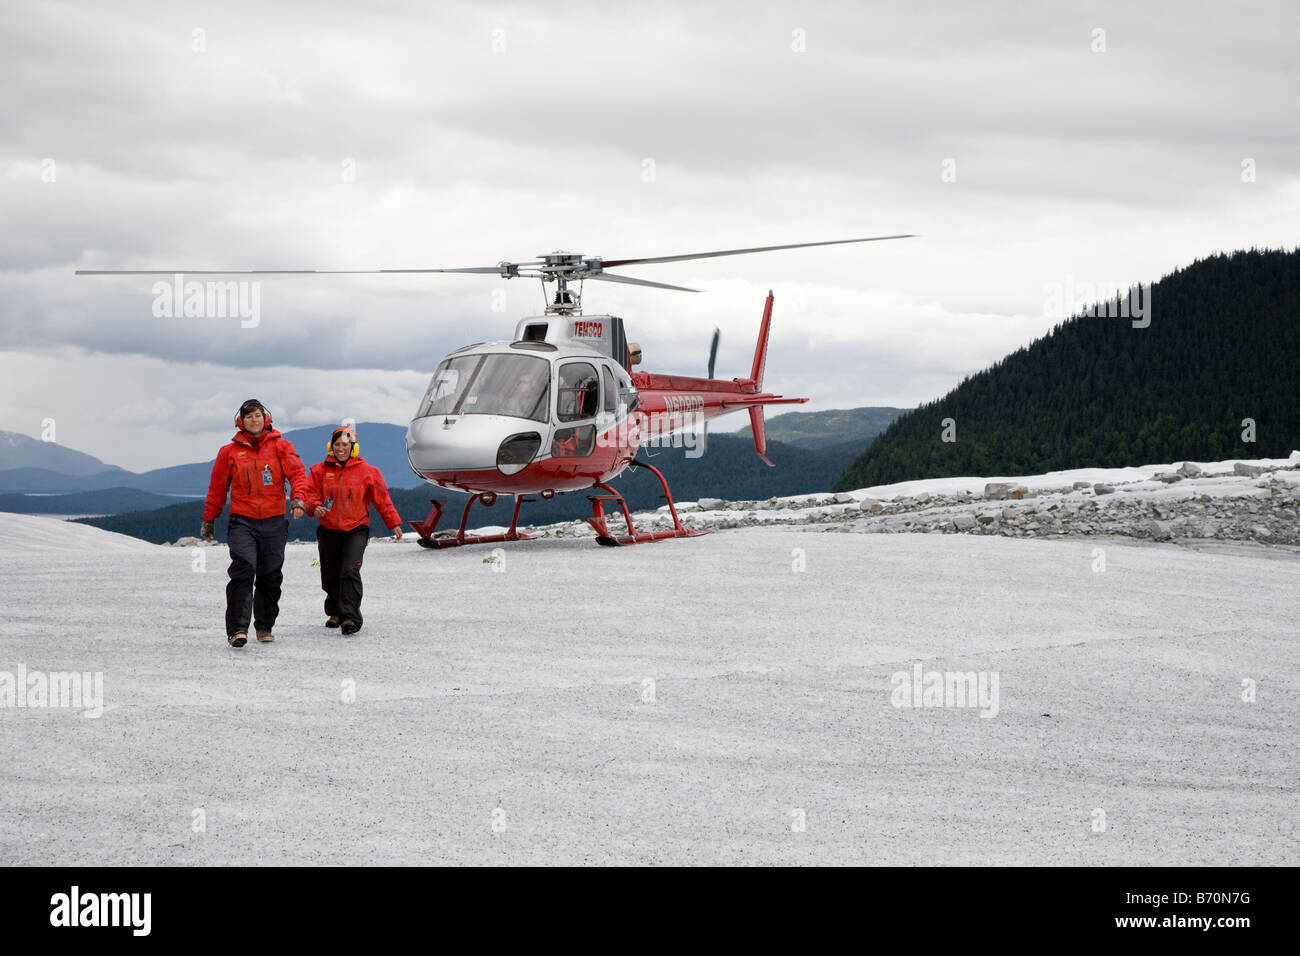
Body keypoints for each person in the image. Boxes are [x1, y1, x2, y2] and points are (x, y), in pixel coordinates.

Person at [202, 399, 309, 648]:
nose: (254, 420)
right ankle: (238, 629)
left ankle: (264, 625)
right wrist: (209, 519)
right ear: (241, 421)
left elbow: (298, 475)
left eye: (258, 415)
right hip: (242, 522)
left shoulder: (282, 446)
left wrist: (298, 500)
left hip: (274, 521)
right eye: (248, 416)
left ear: (266, 418)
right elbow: (217, 488)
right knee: (243, 569)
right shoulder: (228, 452)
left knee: (270, 575)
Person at [301, 424, 404, 636]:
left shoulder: (368, 472)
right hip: (329, 529)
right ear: (331, 446)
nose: (341, 448)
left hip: (356, 529)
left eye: (345, 445)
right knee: (330, 573)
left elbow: (382, 499)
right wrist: (314, 506)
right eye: (337, 444)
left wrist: (393, 522)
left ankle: (350, 617)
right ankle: (335, 612)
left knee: (349, 570)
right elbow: (309, 493)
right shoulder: (318, 470)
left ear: (354, 447)